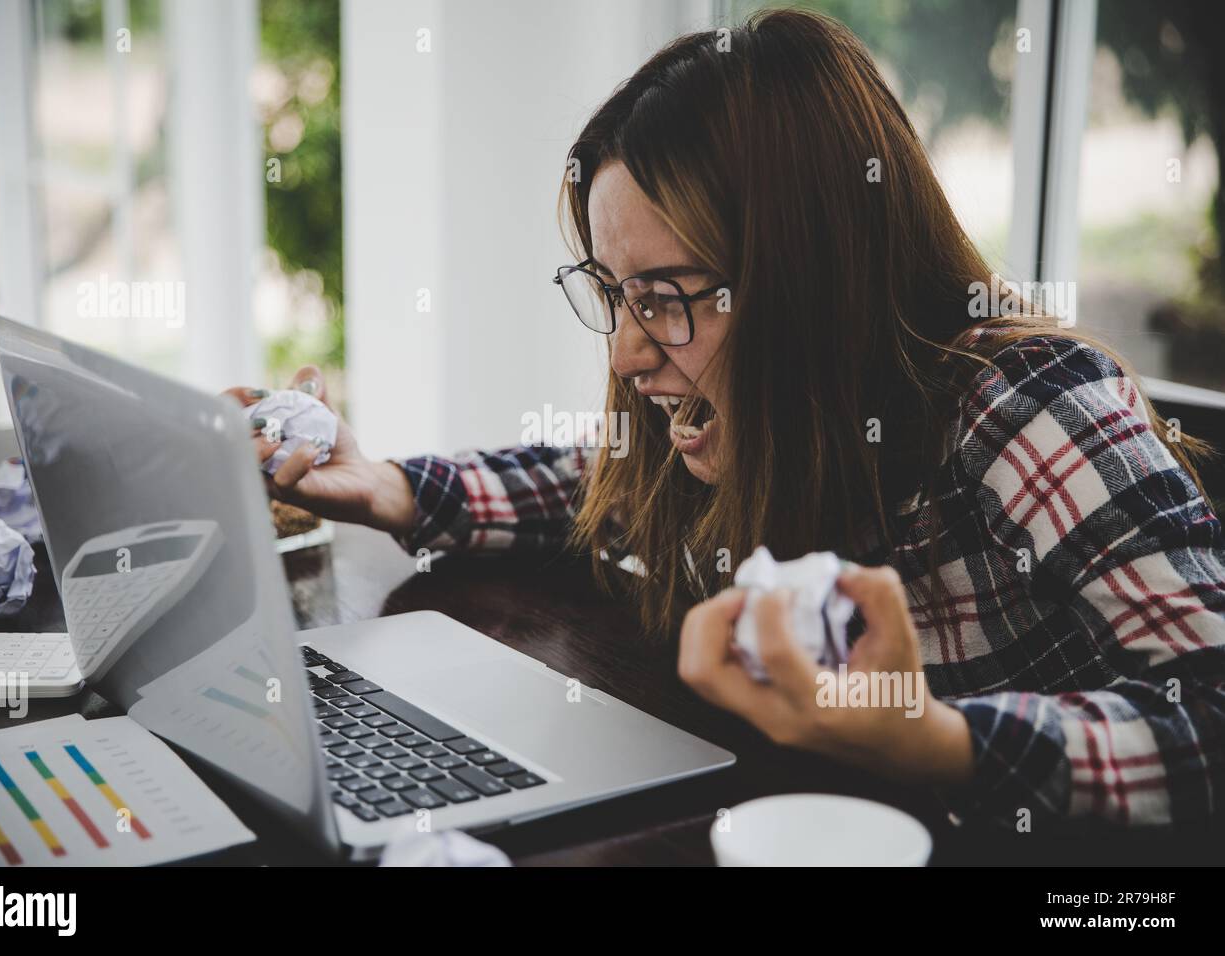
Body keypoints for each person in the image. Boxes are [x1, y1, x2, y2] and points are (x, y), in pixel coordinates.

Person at [227, 9, 1225, 828]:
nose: (624, 350)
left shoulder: (1031, 405)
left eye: (667, 293)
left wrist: (928, 734)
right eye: (612, 292)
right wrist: (391, 485)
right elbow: (593, 481)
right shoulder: (735, 424)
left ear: (814, 278)